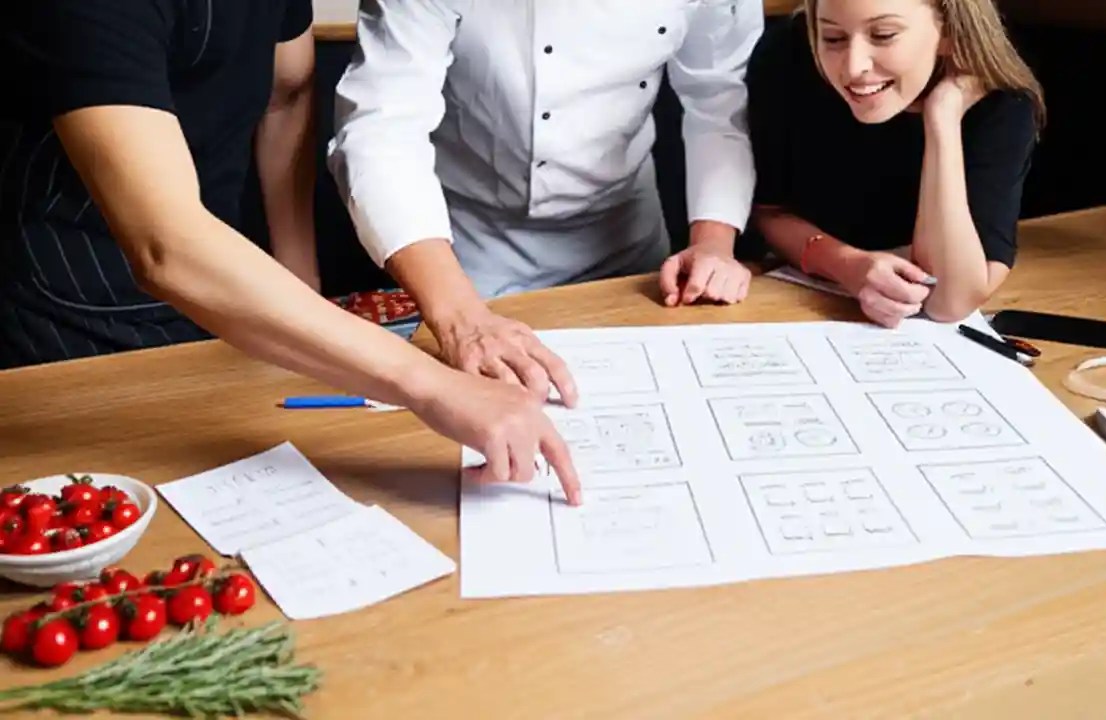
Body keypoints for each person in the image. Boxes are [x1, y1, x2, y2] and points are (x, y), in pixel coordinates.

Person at [0, 0, 581, 503]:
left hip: (226, 293)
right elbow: (167, 247)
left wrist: (300, 283)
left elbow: (289, 93)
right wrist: (432, 385)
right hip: (73, 327)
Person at [327, 0, 763, 404]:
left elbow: (719, 100)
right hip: (471, 253)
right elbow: (381, 131)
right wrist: (461, 317)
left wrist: (713, 244)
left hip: (629, 247)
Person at [747, 0, 1045, 327]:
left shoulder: (1002, 104)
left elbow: (951, 300)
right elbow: (769, 212)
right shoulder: (787, 56)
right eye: (832, 38)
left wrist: (942, 117)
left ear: (950, 31)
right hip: (797, 302)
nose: (853, 67)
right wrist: (848, 266)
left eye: (883, 35)